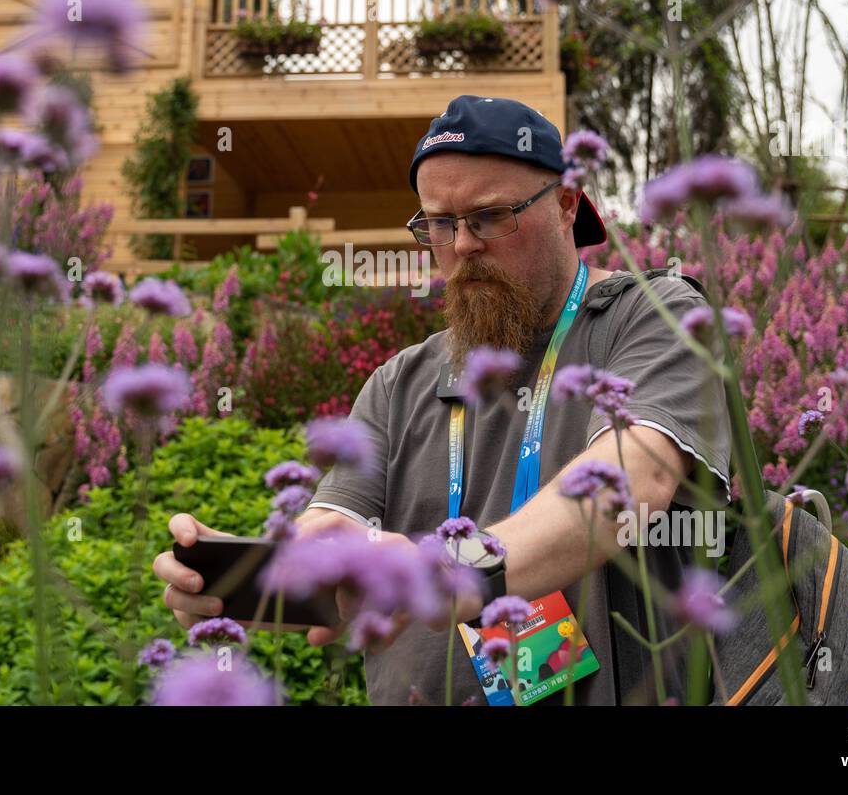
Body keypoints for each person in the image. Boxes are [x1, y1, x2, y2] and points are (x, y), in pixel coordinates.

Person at [155, 94, 731, 705]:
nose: (461, 246)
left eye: (489, 217)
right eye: (438, 223)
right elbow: (334, 535)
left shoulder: (653, 316)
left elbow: (629, 482)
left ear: (566, 205)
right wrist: (243, 583)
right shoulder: (400, 381)